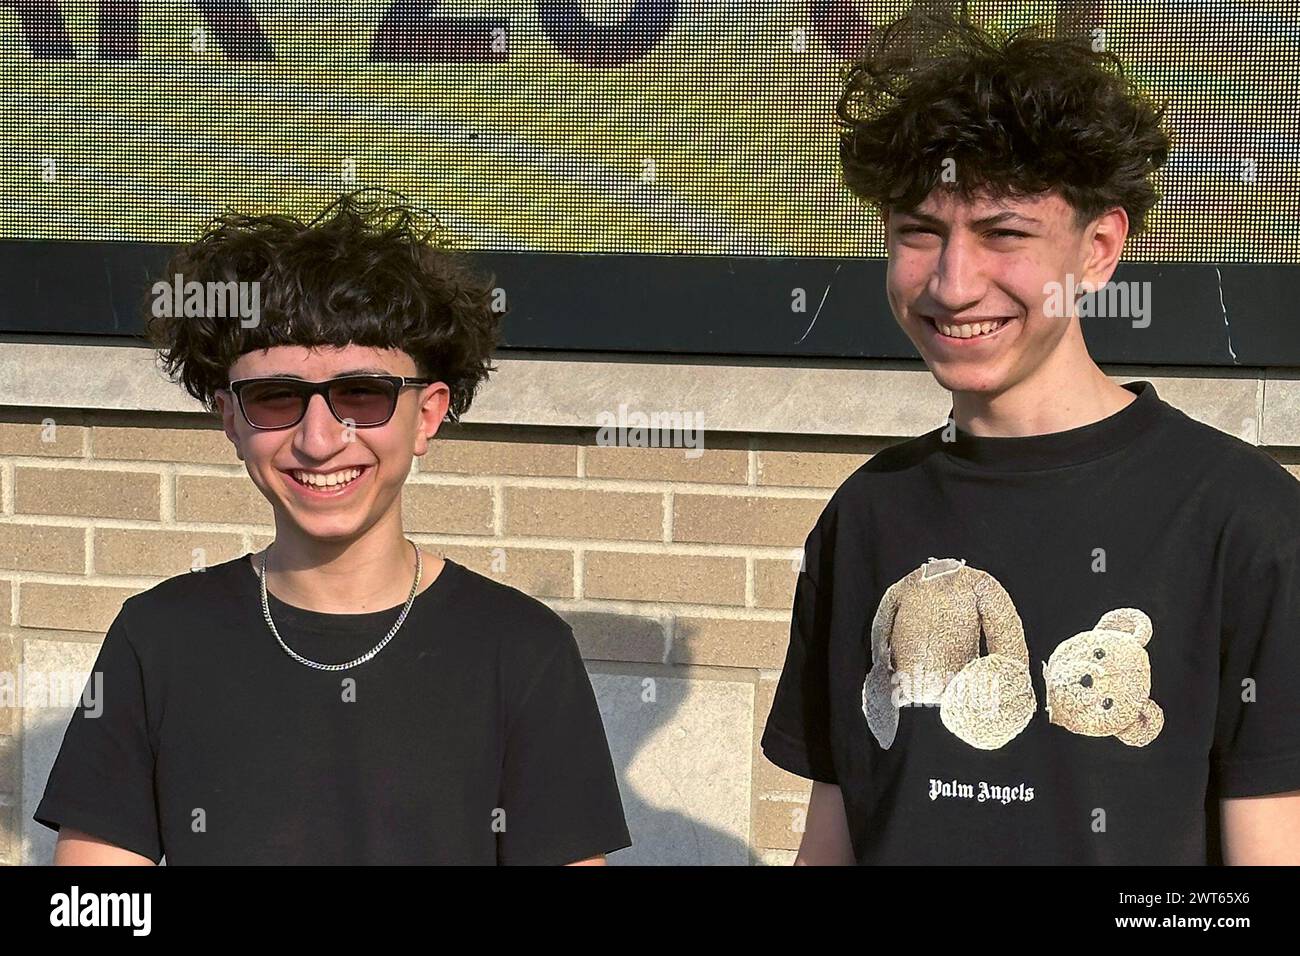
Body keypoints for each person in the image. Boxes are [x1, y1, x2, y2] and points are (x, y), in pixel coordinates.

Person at [761, 12, 1300, 864]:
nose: (952, 282)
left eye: (1003, 233)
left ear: (1097, 249)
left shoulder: (1246, 520)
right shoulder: (867, 512)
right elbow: (838, 833)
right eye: (918, 233)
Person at [34, 190, 632, 865]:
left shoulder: (523, 652)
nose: (320, 440)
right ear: (231, 420)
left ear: (428, 414)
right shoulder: (157, 638)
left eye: (361, 395)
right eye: (276, 398)